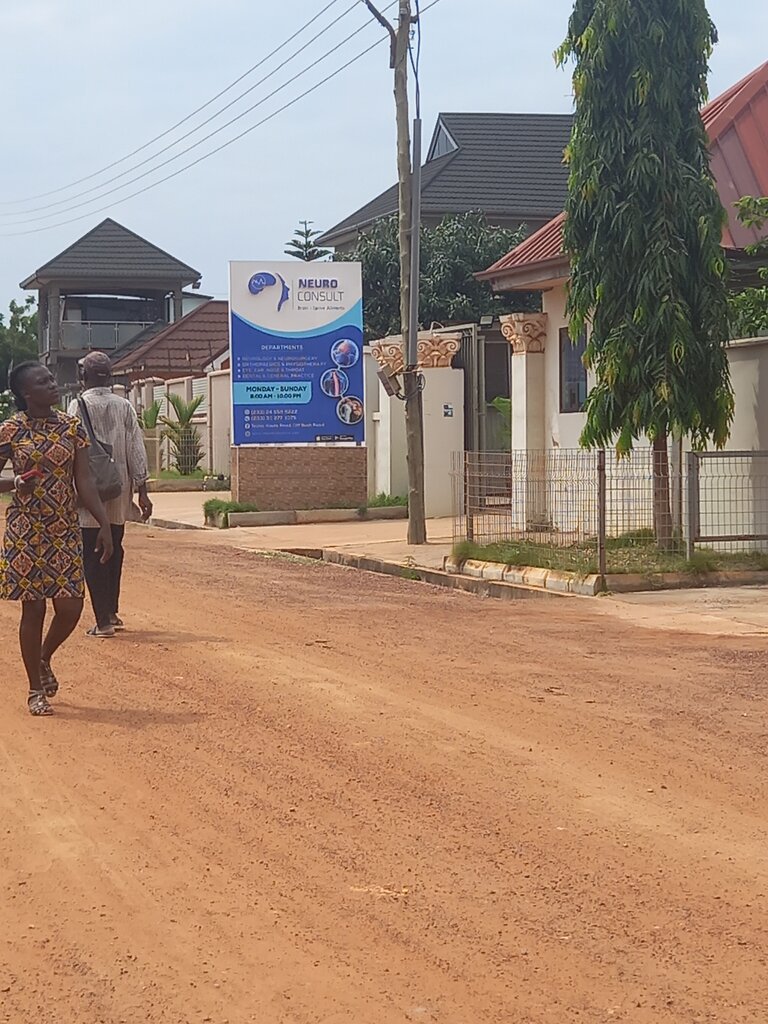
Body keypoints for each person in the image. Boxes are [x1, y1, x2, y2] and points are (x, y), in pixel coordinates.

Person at [0, 362, 113, 716]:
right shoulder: (10, 430)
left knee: (70, 608)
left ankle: (44, 656)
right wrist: (14, 483)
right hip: (25, 529)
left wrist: (104, 524)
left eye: (51, 379)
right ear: (25, 394)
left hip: (63, 527)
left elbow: (86, 480)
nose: (52, 384)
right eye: (42, 382)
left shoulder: (71, 427)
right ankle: (35, 689)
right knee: (33, 608)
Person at [68, 352, 152, 638]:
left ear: (84, 376)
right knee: (115, 548)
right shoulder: (124, 406)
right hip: (119, 489)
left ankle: (102, 620)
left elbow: (70, 451)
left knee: (92, 554)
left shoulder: (76, 406)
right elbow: (136, 450)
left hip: (90, 492)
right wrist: (142, 490)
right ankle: (112, 612)